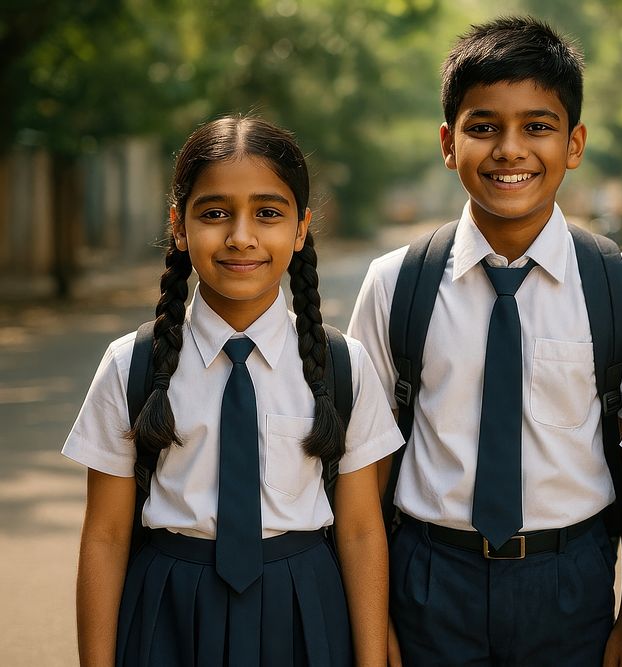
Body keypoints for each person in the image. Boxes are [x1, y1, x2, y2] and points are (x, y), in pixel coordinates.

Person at [347, 15, 622, 666]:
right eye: (484, 127)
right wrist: (373, 622)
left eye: (537, 126)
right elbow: (362, 470)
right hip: (428, 579)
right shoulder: (396, 284)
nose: (510, 149)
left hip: (569, 582)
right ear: (448, 143)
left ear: (574, 143)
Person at [63, 115, 403, 667]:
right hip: (168, 610)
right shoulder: (131, 365)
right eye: (215, 213)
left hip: (305, 609)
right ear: (179, 226)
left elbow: (363, 531)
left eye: (267, 213)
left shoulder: (343, 366)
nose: (241, 236)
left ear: (300, 228)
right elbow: (104, 535)